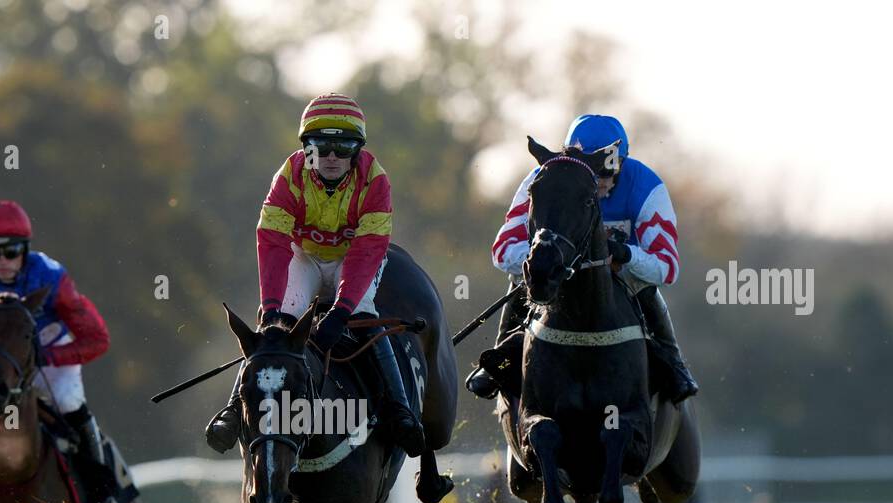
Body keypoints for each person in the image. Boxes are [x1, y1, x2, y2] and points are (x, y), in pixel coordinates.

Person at [204, 92, 426, 457]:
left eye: (343, 147)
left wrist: (341, 311)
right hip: (302, 256)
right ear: (307, 148)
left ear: (358, 150)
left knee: (362, 314)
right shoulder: (288, 176)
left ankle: (399, 409)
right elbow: (273, 242)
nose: (333, 157)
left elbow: (367, 250)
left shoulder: (375, 181)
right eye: (323, 147)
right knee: (273, 331)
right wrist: (272, 308)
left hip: (354, 259)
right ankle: (232, 410)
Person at [467, 113, 698, 403]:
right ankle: (497, 364)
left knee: (646, 287)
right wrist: (549, 258)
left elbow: (667, 268)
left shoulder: (648, 187)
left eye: (609, 172)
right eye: (594, 173)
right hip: (557, 277)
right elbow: (503, 251)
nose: (602, 183)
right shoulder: (541, 180)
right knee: (521, 277)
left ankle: (673, 363)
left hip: (620, 276)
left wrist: (627, 255)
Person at [0, 199, 128, 503]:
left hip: (50, 359)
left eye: (12, 251)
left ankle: (102, 488)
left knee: (72, 406)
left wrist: (47, 357)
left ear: (26, 248)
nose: (3, 260)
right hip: (4, 364)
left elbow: (96, 339)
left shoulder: (51, 276)